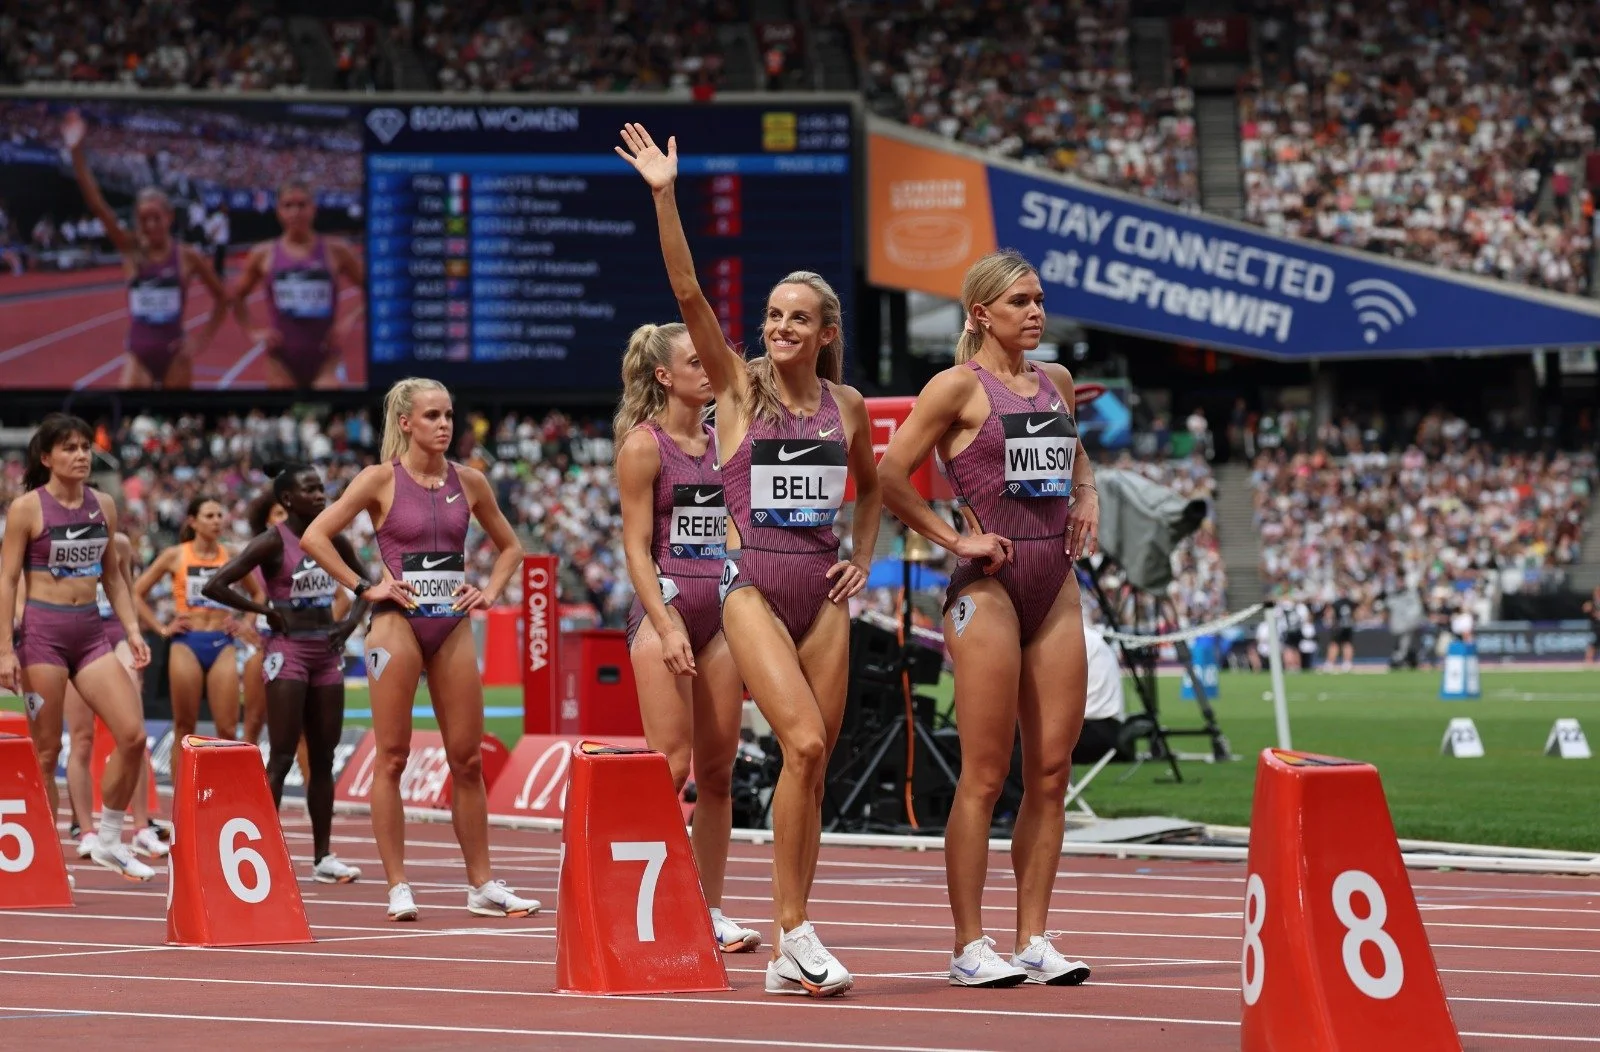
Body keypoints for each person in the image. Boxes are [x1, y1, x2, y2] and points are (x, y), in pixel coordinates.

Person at [620, 123, 879, 996]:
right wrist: (665, 193)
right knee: (799, 741)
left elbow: (875, 489)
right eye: (770, 316)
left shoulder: (848, 407)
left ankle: (783, 946)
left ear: (825, 331)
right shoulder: (737, 388)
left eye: (795, 319)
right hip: (753, 588)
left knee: (815, 761)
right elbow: (688, 286)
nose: (777, 328)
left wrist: (864, 556)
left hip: (825, 592)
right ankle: (796, 929)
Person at [876, 249, 1096, 989]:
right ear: (980, 314)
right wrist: (954, 538)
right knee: (984, 773)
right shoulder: (955, 389)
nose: (1036, 312)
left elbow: (1076, 455)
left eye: (1039, 300)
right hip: (990, 583)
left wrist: (1088, 494)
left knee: (1052, 770)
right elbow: (886, 476)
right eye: (1020, 303)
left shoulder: (1057, 384)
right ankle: (970, 945)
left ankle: (1033, 936)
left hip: (1055, 580)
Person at [301, 377, 537, 921]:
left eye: (449, 415)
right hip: (396, 625)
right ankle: (398, 884)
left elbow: (511, 547)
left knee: (469, 758)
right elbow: (315, 536)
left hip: (450, 623)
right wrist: (365, 586)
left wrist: (491, 589)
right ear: (405, 422)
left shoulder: (471, 482)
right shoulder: (378, 480)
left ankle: (481, 884)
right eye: (432, 416)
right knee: (392, 756)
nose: (444, 425)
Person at [614, 321, 761, 954]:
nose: (710, 370)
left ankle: (711, 906)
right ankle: (638, 897)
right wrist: (667, 625)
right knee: (671, 768)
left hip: (722, 612)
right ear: (664, 377)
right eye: (695, 362)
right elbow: (636, 550)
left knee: (720, 771)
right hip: (665, 609)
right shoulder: (642, 447)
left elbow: (741, 529)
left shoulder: (729, 441)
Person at [0, 414, 154, 880]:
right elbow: (6, 580)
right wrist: (5, 648)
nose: (82, 455)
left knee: (133, 736)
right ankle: (46, 861)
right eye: (69, 448)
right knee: (46, 754)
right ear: (46, 458)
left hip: (90, 634)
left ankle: (108, 839)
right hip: (43, 636)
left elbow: (114, 577)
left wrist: (131, 629)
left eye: (86, 447)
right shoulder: (28, 508)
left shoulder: (103, 505)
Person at [203, 462, 367, 884]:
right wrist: (266, 612)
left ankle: (323, 857)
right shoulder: (272, 542)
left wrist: (348, 625)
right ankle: (263, 852)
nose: (320, 495)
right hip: (288, 652)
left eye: (321, 488)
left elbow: (367, 587)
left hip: (326, 652)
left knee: (324, 758)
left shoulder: (333, 539)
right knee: (280, 756)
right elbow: (216, 585)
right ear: (287, 500)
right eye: (310, 490)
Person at [62, 110, 229, 389]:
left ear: (169, 217)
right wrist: (77, 152)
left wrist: (201, 341)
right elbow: (98, 206)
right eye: (143, 219)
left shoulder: (187, 255)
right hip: (138, 356)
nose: (150, 225)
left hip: (176, 356)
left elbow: (222, 299)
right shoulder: (131, 249)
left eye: (156, 217)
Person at [63, 530, 167, 862]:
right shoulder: (55, 539)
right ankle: (87, 830)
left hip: (112, 632)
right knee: (81, 737)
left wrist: (135, 634)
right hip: (72, 635)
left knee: (133, 733)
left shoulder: (119, 543)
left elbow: (127, 590)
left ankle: (140, 828)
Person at [134, 497, 262, 742]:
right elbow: (137, 592)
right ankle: (181, 782)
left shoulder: (232, 555)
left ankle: (225, 781)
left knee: (227, 729)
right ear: (193, 522)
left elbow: (258, 592)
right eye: (209, 516)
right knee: (184, 728)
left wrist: (246, 622)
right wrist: (161, 629)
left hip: (222, 643)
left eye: (219, 515)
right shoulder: (175, 555)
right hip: (187, 642)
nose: (216, 521)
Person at [231, 181, 364, 389]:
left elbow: (375, 291)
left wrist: (350, 320)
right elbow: (237, 297)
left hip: (325, 358)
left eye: (302, 205)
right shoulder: (263, 253)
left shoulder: (337, 250)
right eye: (288, 205)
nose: (295, 212)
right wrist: (253, 330)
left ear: (313, 209)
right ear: (278, 212)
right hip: (280, 360)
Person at [239, 495, 289, 745]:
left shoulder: (307, 551)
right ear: (266, 521)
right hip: (261, 643)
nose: (285, 519)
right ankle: (245, 782)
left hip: (294, 643)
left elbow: (339, 598)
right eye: (279, 513)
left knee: (292, 724)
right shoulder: (255, 556)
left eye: (287, 514)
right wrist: (245, 624)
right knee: (254, 719)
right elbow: (219, 589)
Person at [1325, 595, 1355, 672]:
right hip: (1348, 626)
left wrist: (1331, 623)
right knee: (1347, 644)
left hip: (1338, 626)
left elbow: (1331, 614)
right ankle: (1347, 663)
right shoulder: (1350, 602)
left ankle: (1330, 663)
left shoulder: (1336, 603)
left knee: (1334, 644)